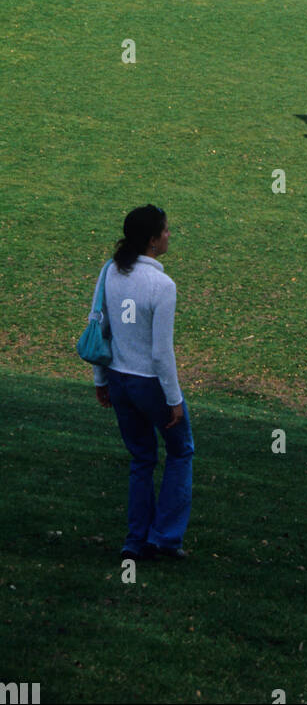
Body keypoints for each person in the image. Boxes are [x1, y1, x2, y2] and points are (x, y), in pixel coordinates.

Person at [90, 205, 193, 562]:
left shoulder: (110, 272)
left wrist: (100, 380)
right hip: (150, 385)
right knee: (181, 452)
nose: (169, 236)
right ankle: (164, 538)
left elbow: (99, 327)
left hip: (118, 381)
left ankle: (134, 541)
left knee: (141, 459)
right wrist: (174, 399)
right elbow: (161, 352)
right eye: (165, 231)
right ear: (152, 241)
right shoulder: (162, 286)